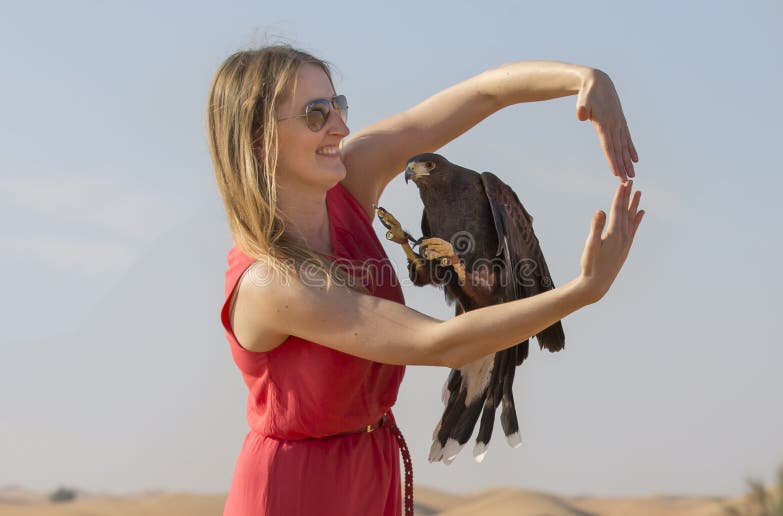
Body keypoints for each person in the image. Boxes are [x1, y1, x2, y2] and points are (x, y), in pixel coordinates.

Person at [206, 44, 644, 516]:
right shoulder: (273, 283)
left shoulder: (351, 182)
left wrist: (584, 78)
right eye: (316, 113)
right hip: (294, 492)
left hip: (373, 465)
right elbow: (440, 344)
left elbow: (483, 93)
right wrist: (583, 291)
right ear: (258, 139)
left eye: (338, 106)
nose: (341, 126)